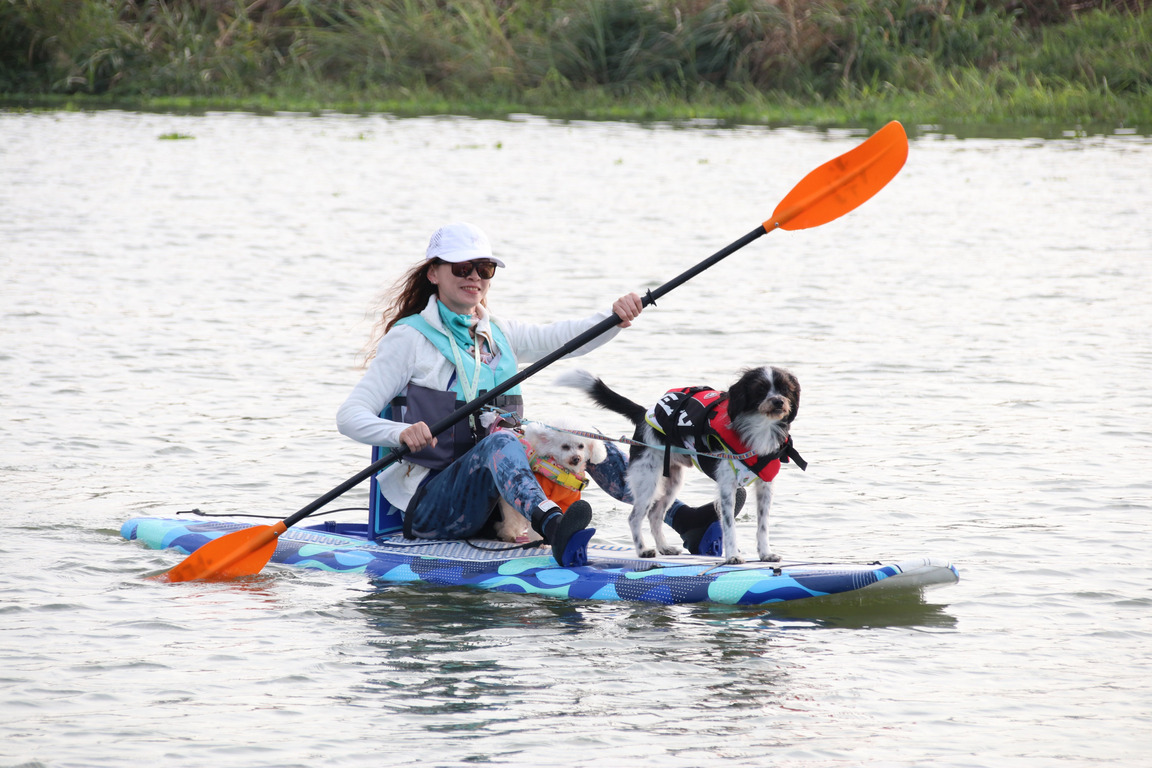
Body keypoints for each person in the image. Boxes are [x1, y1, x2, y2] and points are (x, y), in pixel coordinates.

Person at [336, 222, 735, 566]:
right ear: (434, 274)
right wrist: (398, 434)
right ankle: (554, 526)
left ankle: (685, 521)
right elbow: (350, 414)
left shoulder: (498, 334)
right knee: (504, 444)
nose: (474, 276)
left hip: (492, 501)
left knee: (583, 436)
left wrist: (615, 318)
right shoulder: (408, 340)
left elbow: (565, 337)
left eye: (485, 268)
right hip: (429, 506)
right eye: (462, 267)